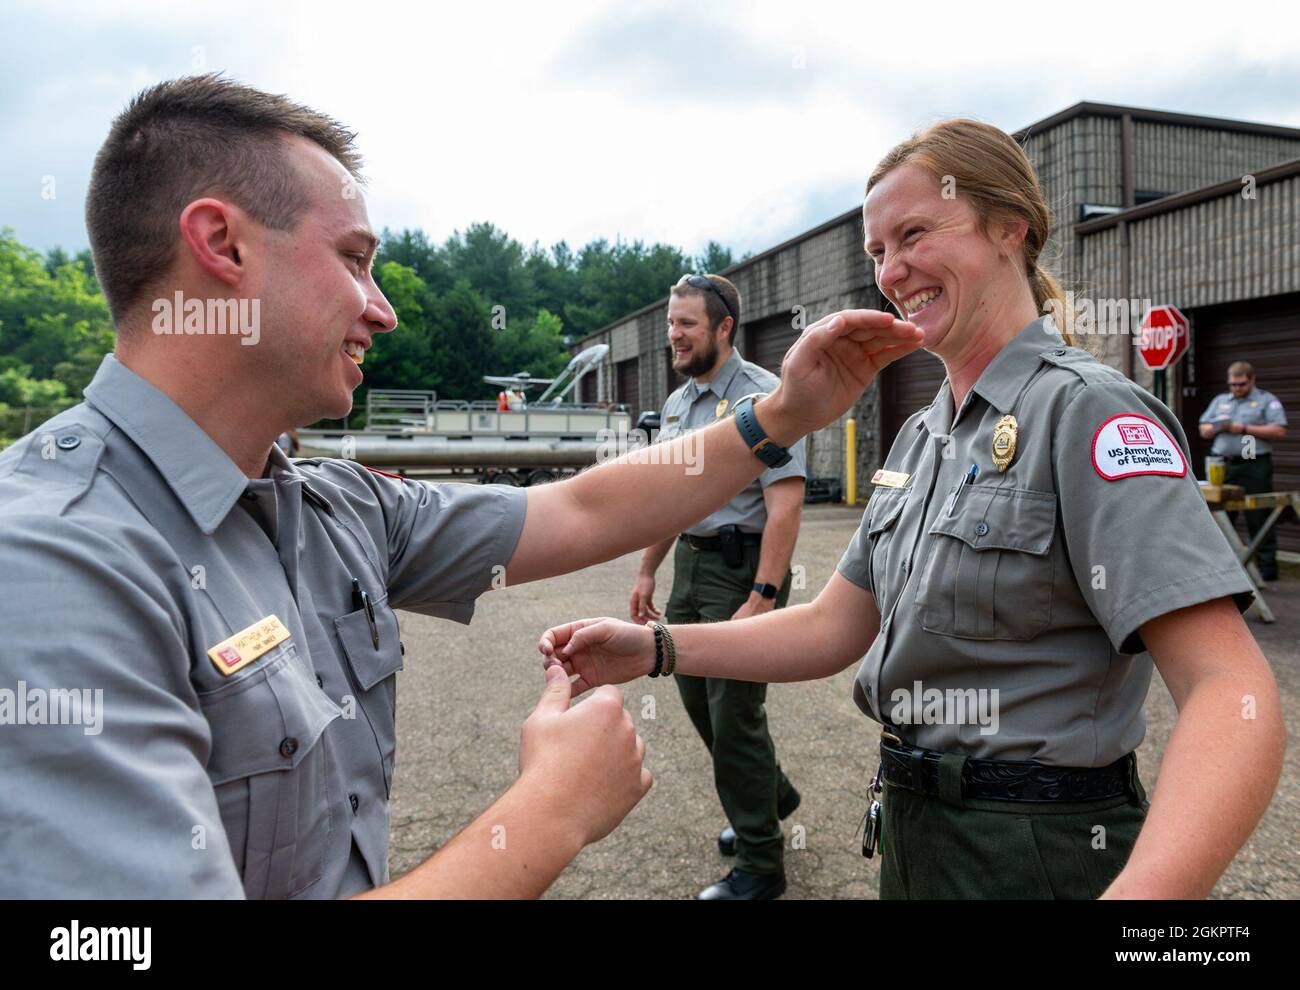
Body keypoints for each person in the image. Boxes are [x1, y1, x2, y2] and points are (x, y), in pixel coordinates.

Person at [0, 75, 922, 899]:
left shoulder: (331, 510)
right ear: (220, 245)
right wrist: (548, 813)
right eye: (354, 258)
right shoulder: (52, 565)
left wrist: (782, 417)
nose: (383, 306)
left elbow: (577, 508)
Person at [540, 119, 1286, 899]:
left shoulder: (1090, 415)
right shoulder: (921, 437)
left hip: (1037, 852)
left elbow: (1229, 689)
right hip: (915, 834)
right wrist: (652, 647)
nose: (892, 271)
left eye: (914, 234)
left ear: (1010, 229)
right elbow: (835, 626)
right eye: (876, 253)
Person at [631, 273, 805, 900]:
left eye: (685, 325)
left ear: (724, 329)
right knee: (700, 705)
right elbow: (672, 500)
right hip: (691, 572)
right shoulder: (679, 405)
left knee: (736, 718)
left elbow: (784, 506)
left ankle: (760, 863)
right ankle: (771, 795)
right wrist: (650, 567)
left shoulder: (766, 398)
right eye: (670, 325)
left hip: (743, 571)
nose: (672, 336)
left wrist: (763, 595)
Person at [1198, 361, 1288, 580]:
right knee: (1219, 516)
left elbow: (1279, 431)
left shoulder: (1266, 401)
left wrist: (1244, 429)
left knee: (1259, 515)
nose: (1237, 389)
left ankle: (1267, 568)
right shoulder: (1220, 401)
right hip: (1223, 464)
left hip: (1253, 464)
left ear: (1252, 379)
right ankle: (1221, 568)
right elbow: (1204, 429)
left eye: (1241, 384)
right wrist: (1219, 426)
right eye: (1233, 385)